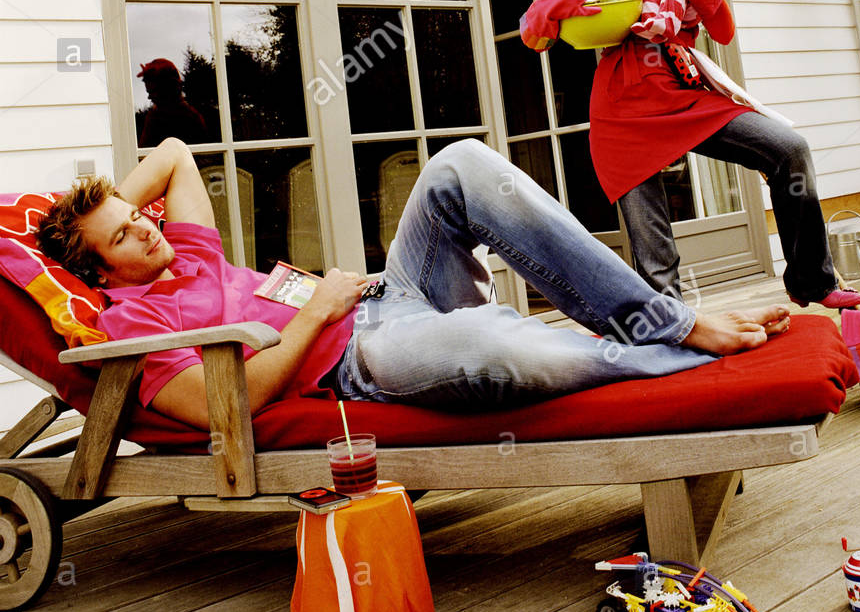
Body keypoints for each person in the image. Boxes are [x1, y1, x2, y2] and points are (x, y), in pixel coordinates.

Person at [35, 136, 791, 429]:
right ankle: (681, 360)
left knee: (459, 165)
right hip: (357, 363)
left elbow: (170, 151)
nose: (146, 225)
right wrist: (316, 312)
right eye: (123, 235)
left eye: (139, 214)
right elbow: (218, 408)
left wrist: (94, 208)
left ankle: (661, 320)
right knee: (479, 342)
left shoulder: (184, 252)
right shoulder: (126, 325)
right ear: (99, 271)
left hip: (385, 297)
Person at [519, 0, 860, 311]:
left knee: (789, 150)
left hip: (681, 90)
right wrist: (553, 5)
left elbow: (721, 31)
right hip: (621, 108)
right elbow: (536, 40)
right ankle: (670, 328)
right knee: (654, 254)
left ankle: (811, 279)